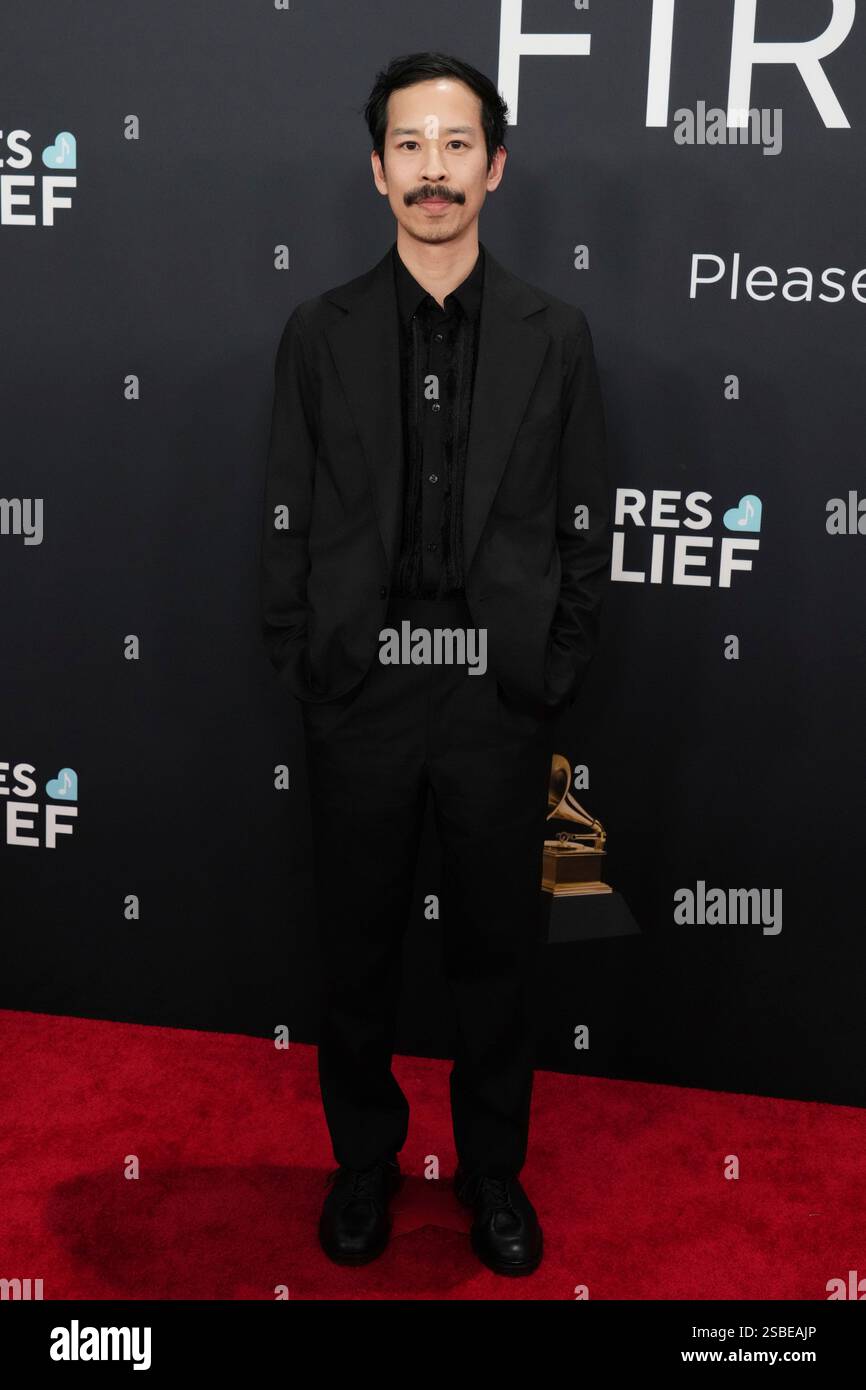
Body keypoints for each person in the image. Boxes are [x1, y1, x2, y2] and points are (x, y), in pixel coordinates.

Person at [259, 50, 611, 1277]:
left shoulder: (554, 336)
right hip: (361, 680)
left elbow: (581, 522)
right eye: (408, 145)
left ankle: (491, 1173)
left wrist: (548, 667)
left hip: (493, 687)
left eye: (456, 145)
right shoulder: (319, 332)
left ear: (494, 167)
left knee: (495, 954)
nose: (432, 170)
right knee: (355, 946)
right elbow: (285, 512)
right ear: (375, 169)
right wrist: (306, 659)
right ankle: (362, 1163)